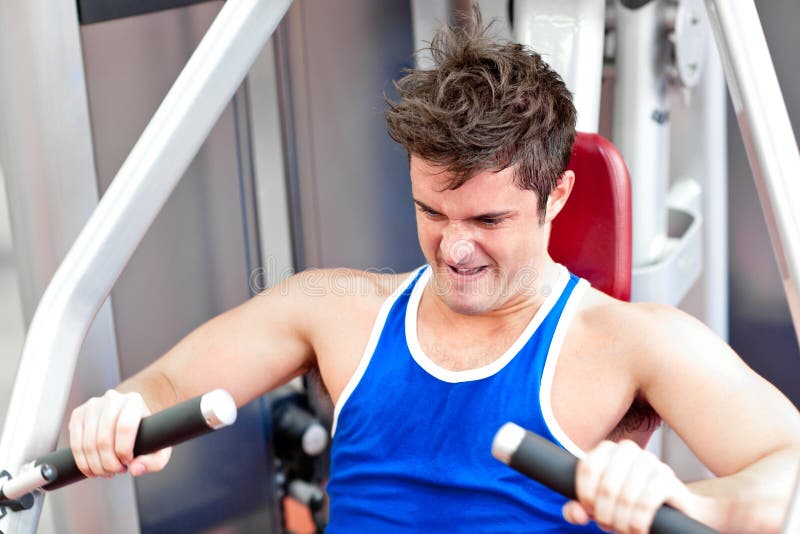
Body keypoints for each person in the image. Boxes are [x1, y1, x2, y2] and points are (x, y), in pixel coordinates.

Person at [67, 7, 800, 533]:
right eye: (432, 213)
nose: (453, 250)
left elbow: (788, 466)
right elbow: (162, 387)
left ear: (558, 197)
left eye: (487, 221)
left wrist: (684, 501)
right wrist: (121, 412)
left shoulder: (633, 344)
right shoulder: (334, 309)